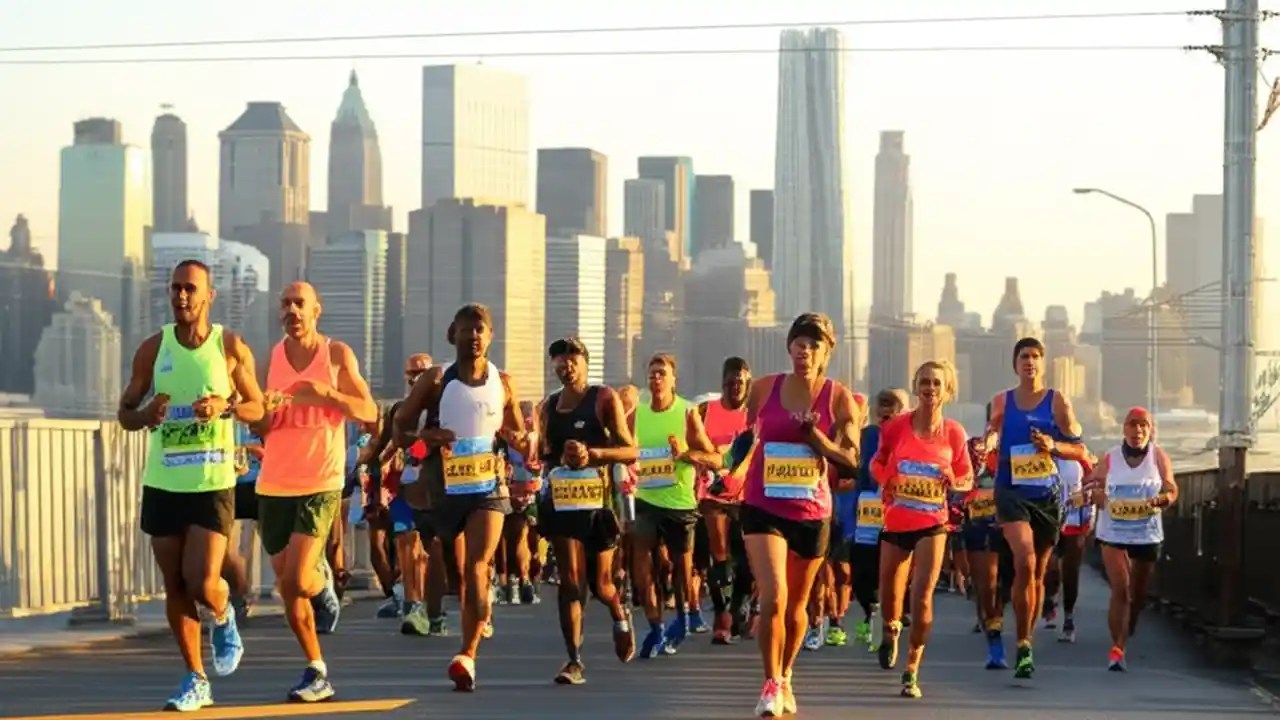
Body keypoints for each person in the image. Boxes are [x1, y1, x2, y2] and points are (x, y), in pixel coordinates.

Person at [118, 259, 267, 711]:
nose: (181, 297)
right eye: (175, 289)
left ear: (209, 296)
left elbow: (259, 408)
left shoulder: (230, 347)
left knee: (202, 581)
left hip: (212, 480)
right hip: (164, 481)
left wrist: (226, 405)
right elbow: (125, 411)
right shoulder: (152, 349)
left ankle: (223, 616)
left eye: (190, 289)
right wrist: (147, 415)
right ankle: (195, 677)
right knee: (175, 586)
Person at [393, 304, 531, 692]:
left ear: (491, 336)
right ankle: (461, 615)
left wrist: (519, 442)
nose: (473, 336)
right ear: (452, 335)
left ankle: (467, 655)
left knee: (476, 566)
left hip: (488, 488)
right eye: (466, 330)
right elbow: (400, 429)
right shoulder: (436, 381)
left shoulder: (503, 383)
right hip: (446, 488)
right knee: (453, 568)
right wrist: (426, 437)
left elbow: (514, 433)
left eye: (481, 330)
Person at [254, 281, 378, 702]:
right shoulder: (271, 358)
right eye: (285, 304)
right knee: (287, 585)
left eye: (299, 303)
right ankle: (316, 669)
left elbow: (370, 412)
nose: (291, 310)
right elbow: (263, 422)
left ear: (316, 311)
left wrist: (327, 393)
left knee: (294, 580)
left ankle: (320, 582)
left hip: (319, 480)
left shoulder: (336, 355)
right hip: (273, 481)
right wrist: (261, 413)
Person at [736, 313, 860, 718]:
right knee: (773, 596)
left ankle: (786, 673)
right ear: (789, 347)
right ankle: (770, 683)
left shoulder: (839, 397)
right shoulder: (763, 388)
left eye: (814, 345)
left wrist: (817, 439)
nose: (805, 351)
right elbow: (738, 433)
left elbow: (852, 459)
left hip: (810, 509)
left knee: (797, 606)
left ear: (826, 352)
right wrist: (725, 469)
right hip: (762, 503)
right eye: (799, 343)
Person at [982, 337, 1087, 679]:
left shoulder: (1057, 401)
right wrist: (989, 442)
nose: (1029, 362)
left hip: (1046, 496)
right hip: (1011, 492)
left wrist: (1053, 445)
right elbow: (992, 434)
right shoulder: (1002, 401)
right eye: (1023, 356)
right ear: (1015, 365)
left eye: (1035, 357)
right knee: (1024, 559)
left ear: (1043, 364)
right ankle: (1016, 639)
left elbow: (1078, 448)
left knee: (1039, 574)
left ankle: (1026, 643)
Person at [537, 337, 638, 683]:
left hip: (598, 506)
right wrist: (551, 460)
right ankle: (574, 660)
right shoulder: (548, 407)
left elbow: (630, 451)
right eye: (559, 360)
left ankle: (619, 613)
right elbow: (544, 455)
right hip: (563, 506)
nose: (566, 365)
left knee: (601, 584)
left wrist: (593, 455)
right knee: (570, 583)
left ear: (585, 363)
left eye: (572, 359)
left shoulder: (603, 398)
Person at [871, 361, 973, 698]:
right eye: (925, 382)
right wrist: (889, 479)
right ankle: (890, 630)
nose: (930, 388)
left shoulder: (955, 433)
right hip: (897, 520)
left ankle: (912, 667)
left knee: (923, 595)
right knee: (890, 592)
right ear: (916, 387)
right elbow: (877, 461)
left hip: (933, 523)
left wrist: (955, 481)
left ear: (948, 391)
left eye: (937, 384)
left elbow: (967, 477)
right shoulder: (897, 427)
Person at [629, 353, 719, 658]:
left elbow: (714, 457)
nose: (656, 379)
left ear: (673, 379)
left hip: (680, 504)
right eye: (652, 374)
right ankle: (655, 626)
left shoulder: (686, 413)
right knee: (640, 564)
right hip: (645, 500)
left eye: (662, 374)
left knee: (681, 569)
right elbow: (623, 450)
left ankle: (681, 618)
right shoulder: (636, 414)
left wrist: (685, 454)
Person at [1087, 406, 1178, 671]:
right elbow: (1092, 484)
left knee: (1137, 595)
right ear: (1124, 429)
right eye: (1132, 425)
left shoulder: (1158, 457)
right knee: (1121, 589)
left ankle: (1130, 624)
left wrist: (1164, 499)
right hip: (1113, 531)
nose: (1137, 431)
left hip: (1146, 532)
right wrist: (1097, 496)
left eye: (1143, 426)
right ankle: (1118, 649)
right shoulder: (1111, 458)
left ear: (1150, 431)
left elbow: (1172, 487)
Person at [695, 357, 752, 645]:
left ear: (748, 383)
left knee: (747, 558)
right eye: (730, 382)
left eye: (740, 382)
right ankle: (722, 616)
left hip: (746, 493)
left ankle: (741, 605)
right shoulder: (707, 410)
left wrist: (733, 473)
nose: (735, 387)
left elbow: (754, 452)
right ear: (722, 383)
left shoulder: (754, 415)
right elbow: (695, 446)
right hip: (713, 492)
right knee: (719, 555)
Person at [1044, 452, 1094, 643]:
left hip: (1075, 522)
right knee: (1050, 566)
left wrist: (1088, 523)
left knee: (1071, 571)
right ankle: (1051, 597)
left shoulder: (1081, 454)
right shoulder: (1043, 452)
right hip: (1049, 521)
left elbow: (1091, 487)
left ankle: (1069, 618)